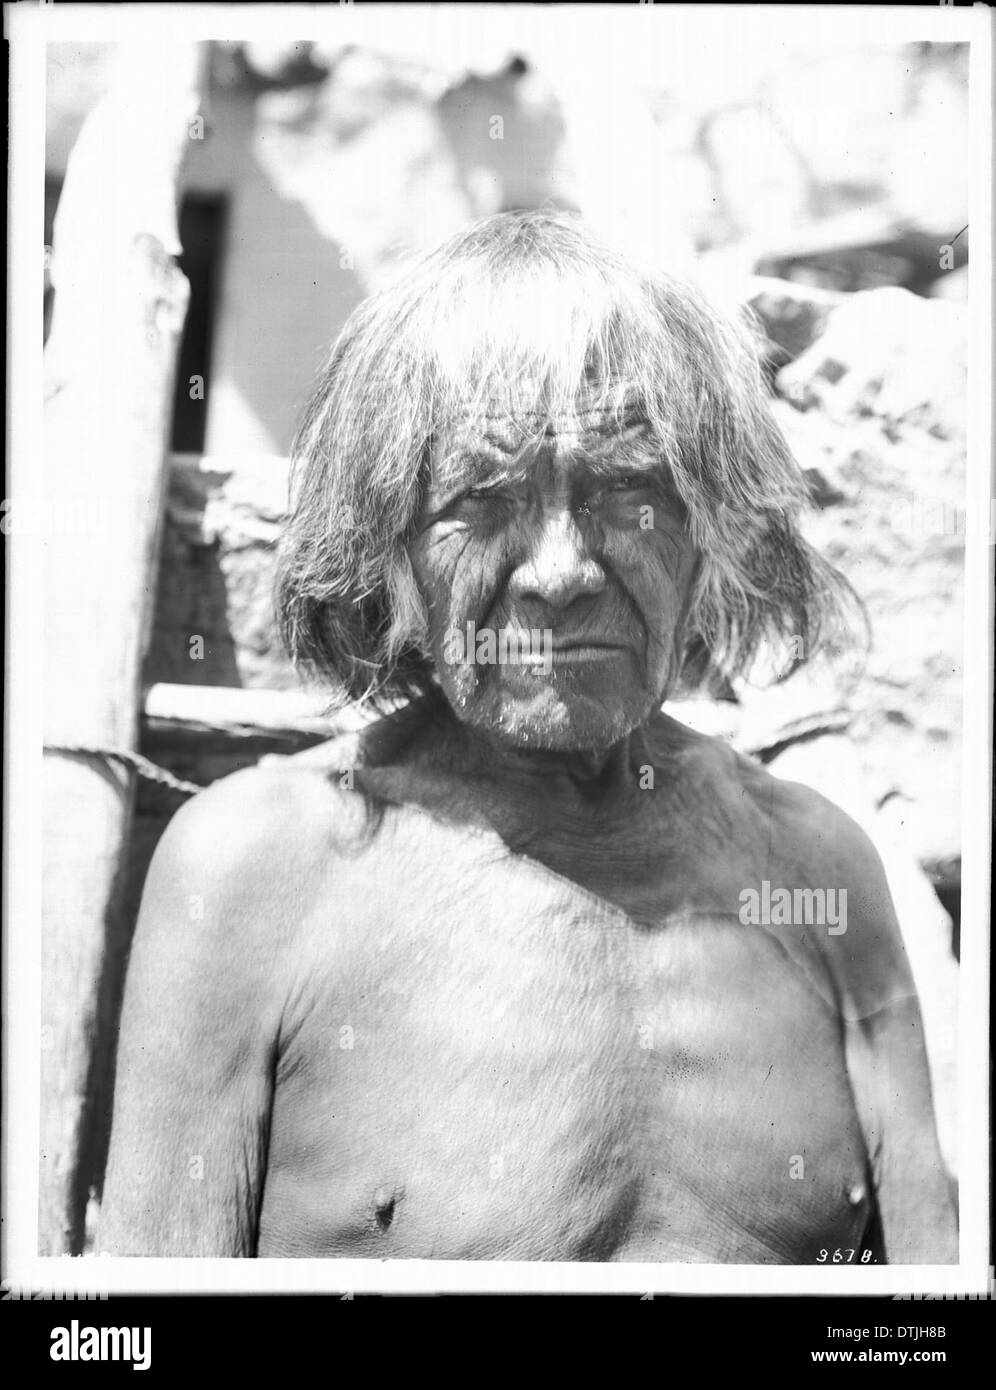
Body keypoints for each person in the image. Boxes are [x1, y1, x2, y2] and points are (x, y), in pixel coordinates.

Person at [100, 211, 956, 1262]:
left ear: (712, 528)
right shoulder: (255, 873)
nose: (561, 570)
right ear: (384, 546)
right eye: (483, 498)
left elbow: (937, 1315)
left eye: (630, 492)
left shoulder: (817, 871)